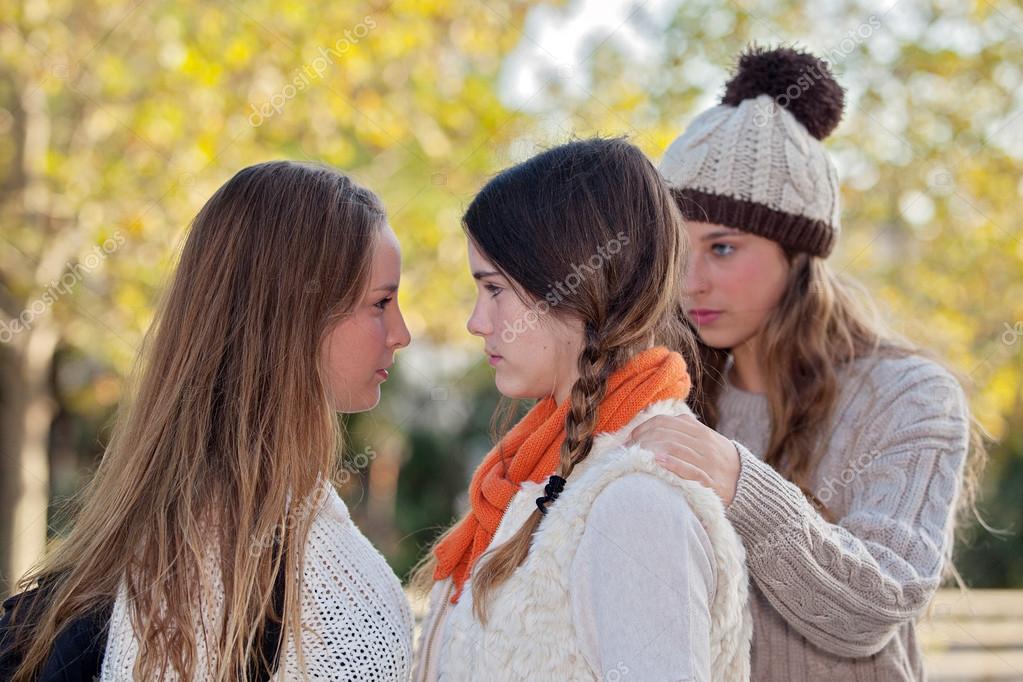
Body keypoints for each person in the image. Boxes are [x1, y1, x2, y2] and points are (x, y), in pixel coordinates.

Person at [632, 45, 982, 680]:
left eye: (724, 247)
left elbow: (873, 606)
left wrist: (739, 481)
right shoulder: (663, 389)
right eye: (676, 250)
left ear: (798, 254)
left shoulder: (911, 397)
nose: (690, 282)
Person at [0, 161, 414, 681]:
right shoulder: (205, 550)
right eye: (381, 302)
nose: (401, 332)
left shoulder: (292, 507)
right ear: (296, 313)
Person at [411, 138, 751, 682]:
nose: (477, 321)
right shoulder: (538, 469)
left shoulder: (637, 501)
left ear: (575, 288)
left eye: (494, 289)